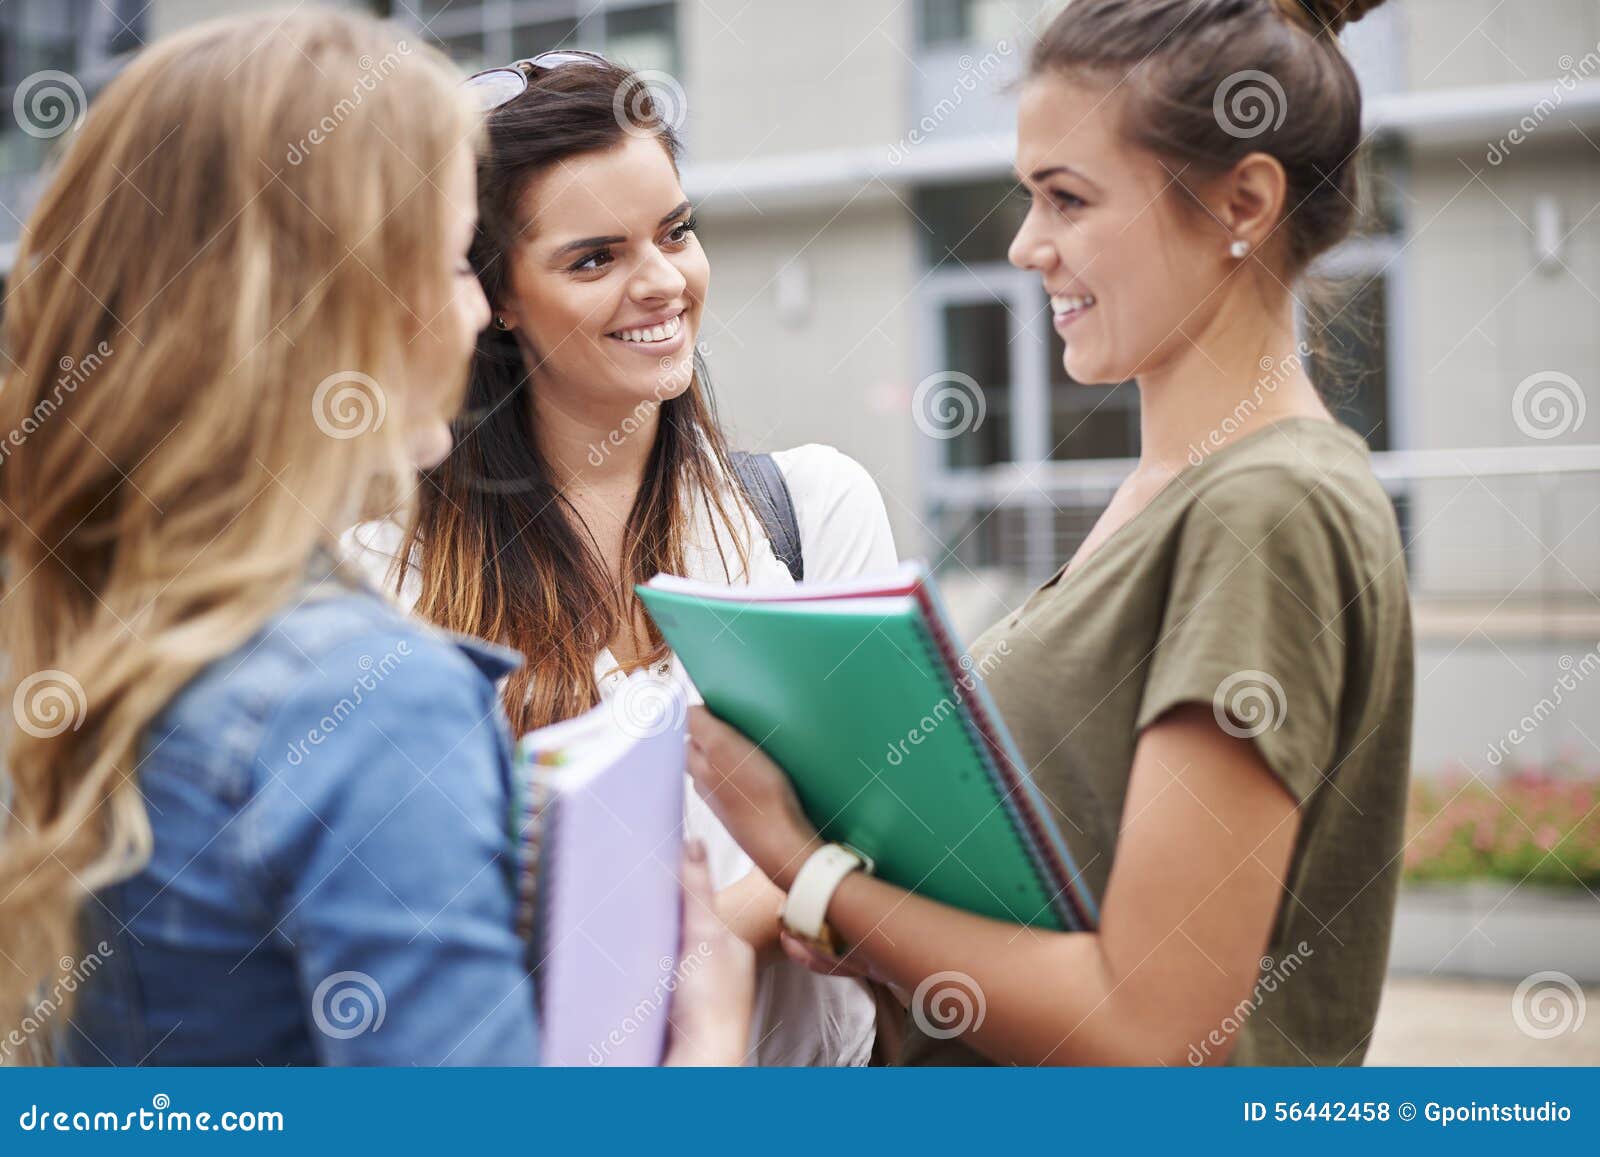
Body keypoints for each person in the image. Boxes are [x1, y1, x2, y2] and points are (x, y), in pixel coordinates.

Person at [0, 9, 750, 1067]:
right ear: (339, 310)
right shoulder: (363, 699)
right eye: (454, 264)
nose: (476, 315)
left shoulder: (96, 635)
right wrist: (710, 1031)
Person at [685, 0, 1414, 1066]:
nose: (1026, 247)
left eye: (1066, 199)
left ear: (1243, 202)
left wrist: (809, 869)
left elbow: (1147, 1026)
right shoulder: (1173, 489)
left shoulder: (1271, 506)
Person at [346, 53, 895, 1067]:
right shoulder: (379, 576)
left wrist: (715, 931)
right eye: (593, 258)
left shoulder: (811, 513)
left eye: (675, 231)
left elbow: (887, 820)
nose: (662, 283)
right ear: (493, 295)